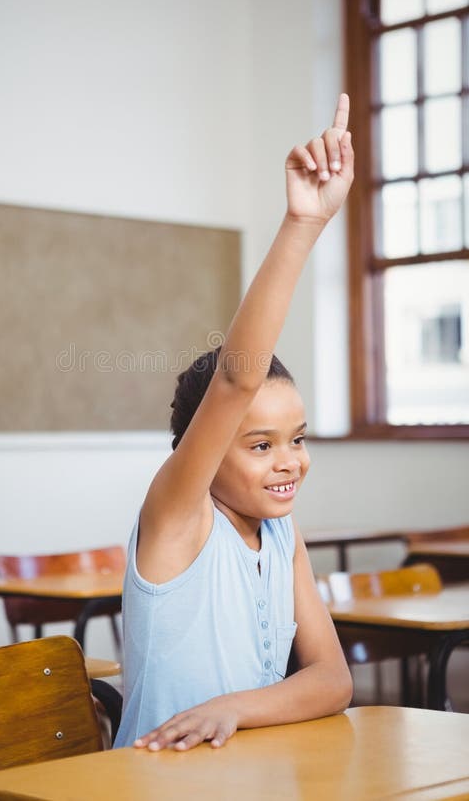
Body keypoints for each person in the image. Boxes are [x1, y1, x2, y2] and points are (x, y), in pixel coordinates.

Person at [114, 95, 355, 751]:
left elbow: (333, 680)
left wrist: (236, 708)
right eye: (259, 445)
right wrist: (303, 223)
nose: (289, 460)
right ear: (209, 448)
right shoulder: (177, 519)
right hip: (149, 787)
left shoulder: (280, 535)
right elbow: (236, 379)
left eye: (297, 440)